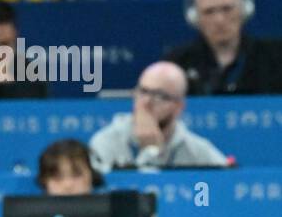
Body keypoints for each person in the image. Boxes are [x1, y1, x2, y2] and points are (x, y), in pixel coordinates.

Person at [166, 0, 282, 95]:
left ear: (245, 10)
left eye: (227, 9)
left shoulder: (274, 61)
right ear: (194, 17)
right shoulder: (176, 63)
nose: (219, 19)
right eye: (209, 11)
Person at [87, 62, 230, 173]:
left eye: (160, 96)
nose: (147, 102)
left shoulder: (198, 152)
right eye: (143, 92)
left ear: (179, 106)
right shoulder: (105, 143)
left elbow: (226, 183)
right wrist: (150, 151)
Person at [36, 139, 102, 195]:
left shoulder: (109, 207)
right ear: (44, 181)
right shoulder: (33, 210)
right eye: (57, 177)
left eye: (77, 175)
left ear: (92, 176)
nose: (68, 185)